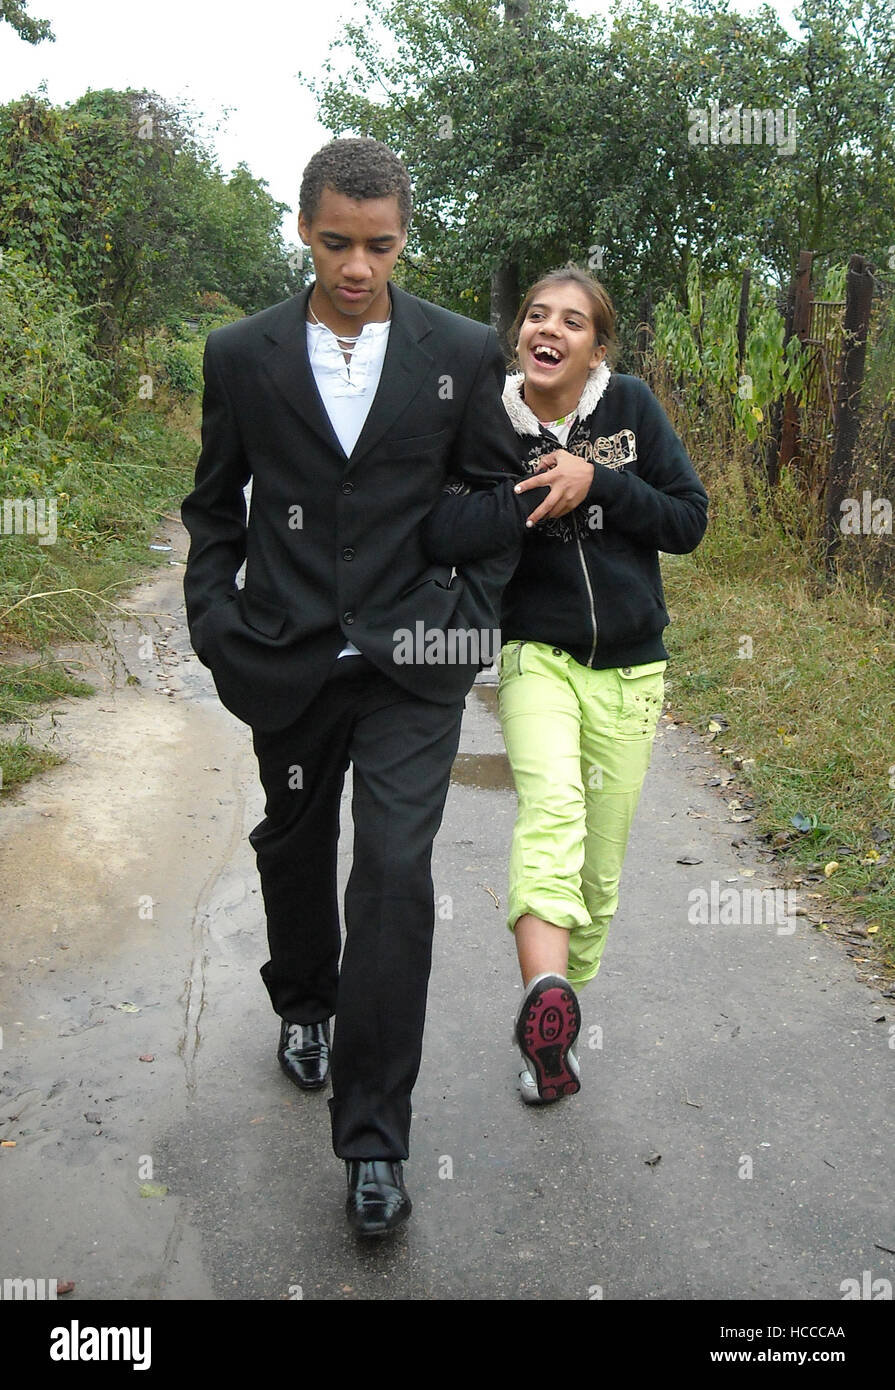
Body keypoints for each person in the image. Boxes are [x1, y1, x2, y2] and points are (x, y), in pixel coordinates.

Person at [181, 137, 525, 1233]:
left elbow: (494, 495)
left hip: (414, 661)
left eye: (379, 245)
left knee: (389, 868)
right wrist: (218, 627)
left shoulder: (462, 351)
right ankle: (305, 1002)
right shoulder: (240, 354)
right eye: (337, 242)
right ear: (303, 230)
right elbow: (211, 510)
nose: (358, 268)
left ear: (403, 236)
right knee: (293, 841)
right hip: (283, 652)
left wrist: (467, 621)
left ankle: (375, 1140)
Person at [423, 265, 709, 1103]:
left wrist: (602, 483)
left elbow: (688, 519)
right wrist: (520, 501)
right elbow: (439, 523)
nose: (550, 330)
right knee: (552, 815)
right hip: (534, 655)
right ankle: (539, 999)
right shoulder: (486, 420)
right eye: (537, 317)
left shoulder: (629, 409)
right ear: (520, 334)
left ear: (596, 346)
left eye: (573, 322)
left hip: (632, 666)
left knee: (599, 874)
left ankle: (559, 1014)